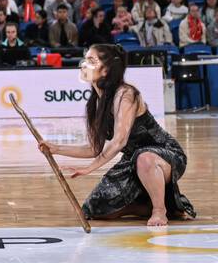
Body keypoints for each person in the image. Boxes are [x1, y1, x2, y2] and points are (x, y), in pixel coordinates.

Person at [40, 43, 196, 227]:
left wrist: (90, 168)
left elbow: (119, 141)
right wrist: (56, 149)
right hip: (133, 159)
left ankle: (160, 210)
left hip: (164, 154)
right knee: (95, 208)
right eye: (85, 59)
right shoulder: (96, 103)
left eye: (91, 61)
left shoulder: (126, 94)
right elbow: (94, 148)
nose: (83, 64)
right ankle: (145, 205)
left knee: (143, 157)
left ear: (105, 70)